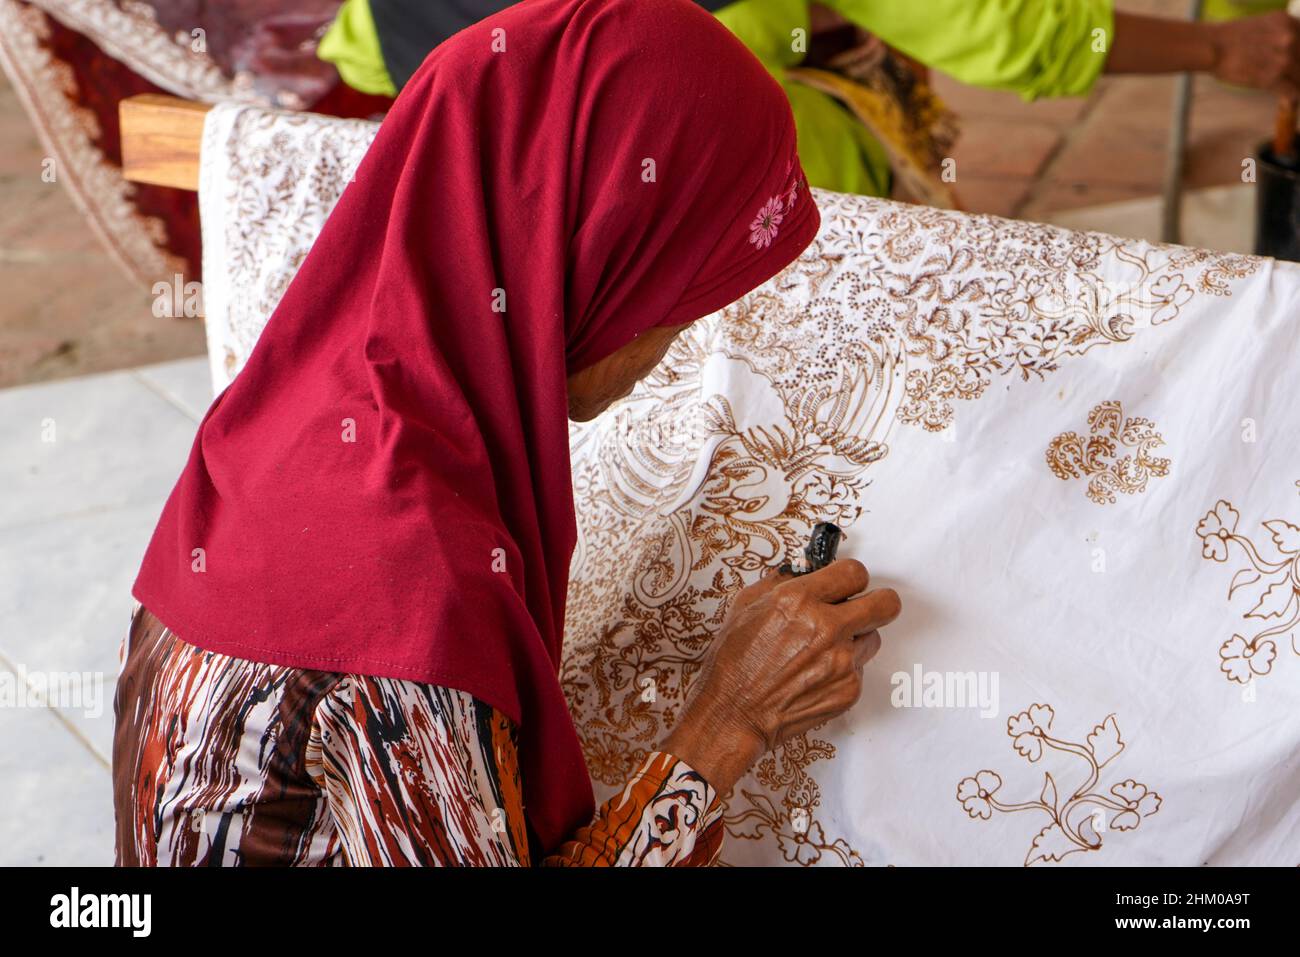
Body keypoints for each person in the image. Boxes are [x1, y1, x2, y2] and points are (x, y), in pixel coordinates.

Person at [113, 0, 902, 866]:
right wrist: (729, 722)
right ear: (588, 244)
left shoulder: (292, 413)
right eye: (670, 300)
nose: (665, 349)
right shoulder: (407, 602)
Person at [319, 0, 1300, 198]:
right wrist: (1218, 43)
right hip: (755, 225)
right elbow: (1002, 33)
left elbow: (361, 51)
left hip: (529, 240)